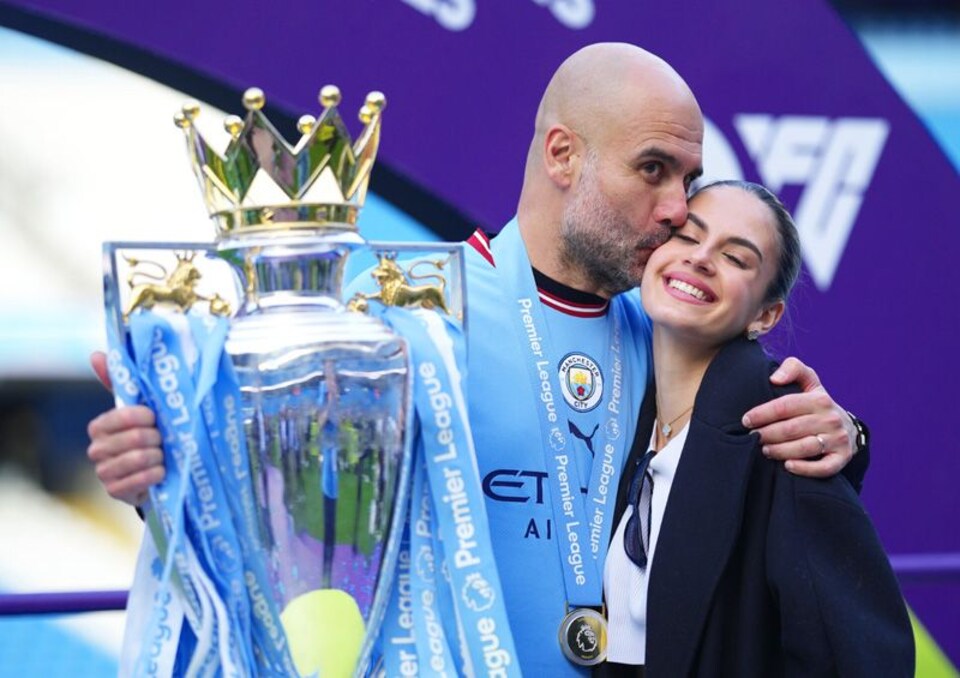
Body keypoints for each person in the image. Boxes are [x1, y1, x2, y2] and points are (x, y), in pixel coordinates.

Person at [87, 44, 869, 674]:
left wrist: (843, 434)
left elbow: (769, 450)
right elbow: (289, 506)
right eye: (653, 169)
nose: (677, 208)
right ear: (563, 155)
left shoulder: (669, 335)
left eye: (689, 179)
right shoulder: (396, 312)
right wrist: (161, 468)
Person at [601, 181, 912, 676]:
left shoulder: (784, 438)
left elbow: (864, 657)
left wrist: (853, 436)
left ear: (766, 316)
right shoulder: (621, 407)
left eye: (736, 258)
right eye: (687, 236)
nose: (701, 258)